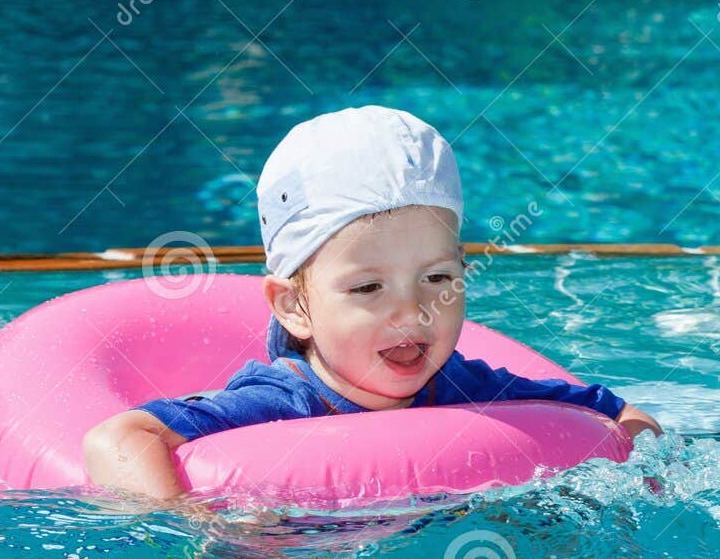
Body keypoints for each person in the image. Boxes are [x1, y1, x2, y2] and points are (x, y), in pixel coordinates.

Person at [84, 105, 660, 499]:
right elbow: (117, 440)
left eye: (437, 279)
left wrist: (645, 472)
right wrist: (191, 527)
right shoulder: (280, 403)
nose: (412, 313)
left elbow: (618, 416)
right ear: (293, 307)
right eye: (367, 288)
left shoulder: (466, 387)